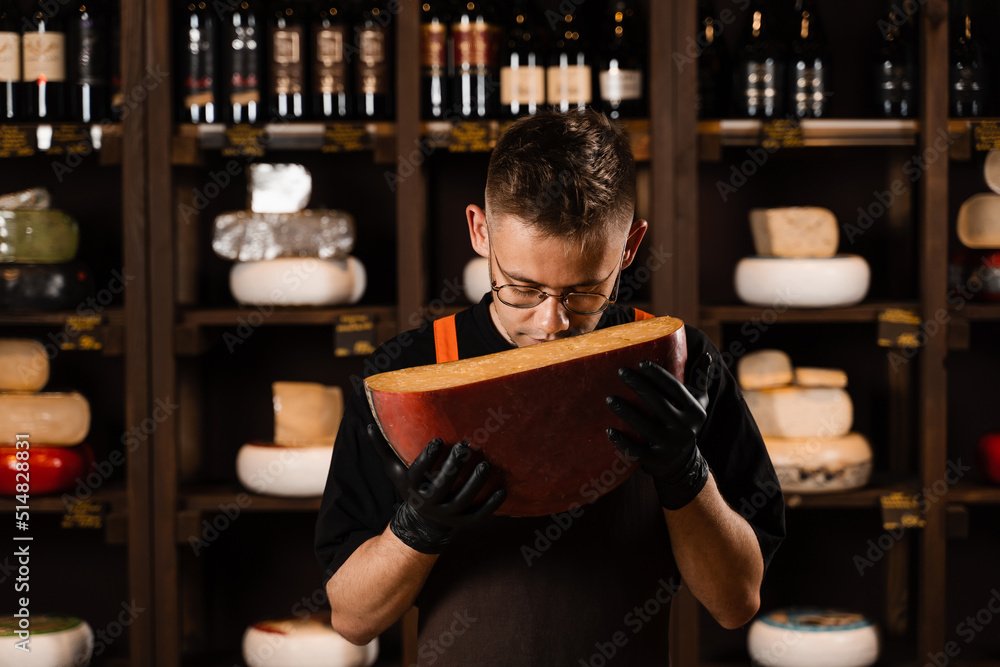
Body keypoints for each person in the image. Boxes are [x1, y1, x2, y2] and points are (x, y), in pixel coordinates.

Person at [315, 108, 785, 665]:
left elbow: (736, 603)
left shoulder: (683, 366)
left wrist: (686, 473)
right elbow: (353, 620)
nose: (551, 323)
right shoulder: (405, 371)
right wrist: (417, 526)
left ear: (630, 246)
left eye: (585, 292)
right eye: (522, 289)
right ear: (480, 231)